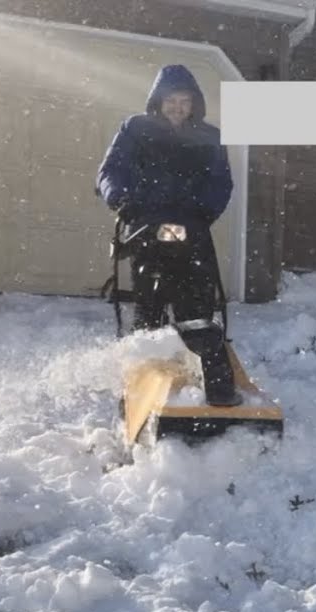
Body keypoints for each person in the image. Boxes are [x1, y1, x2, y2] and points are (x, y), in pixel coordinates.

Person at [96, 65, 241, 407]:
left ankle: (214, 382)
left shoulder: (210, 136)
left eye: (184, 101)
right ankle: (140, 382)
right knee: (150, 305)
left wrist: (204, 210)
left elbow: (221, 183)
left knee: (197, 304)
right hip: (146, 226)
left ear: (194, 104)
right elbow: (110, 171)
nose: (177, 106)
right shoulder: (135, 129)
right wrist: (121, 199)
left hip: (192, 229)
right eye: (171, 100)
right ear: (159, 101)